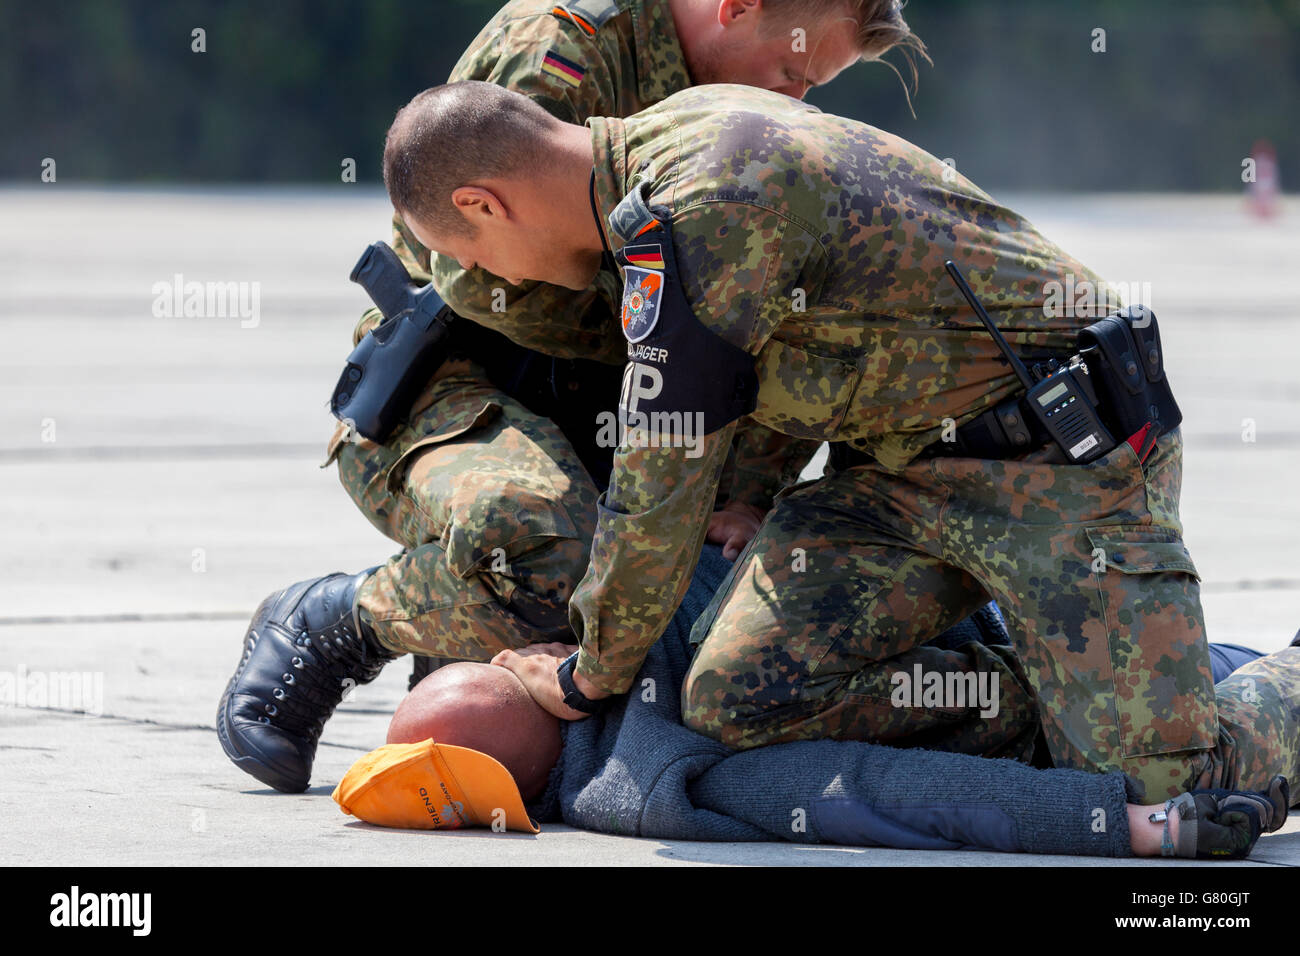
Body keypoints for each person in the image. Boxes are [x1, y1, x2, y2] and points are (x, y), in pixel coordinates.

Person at [380, 79, 1300, 803]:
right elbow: (782, 344)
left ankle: (1210, 696)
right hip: (899, 477)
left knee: (1168, 793)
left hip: (1060, 469)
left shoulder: (694, 213)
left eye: (462, 256)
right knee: (739, 698)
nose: (477, 277)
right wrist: (754, 494)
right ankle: (1066, 696)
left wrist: (589, 673)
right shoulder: (674, 141)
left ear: (484, 202)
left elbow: (656, 483)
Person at [218, 0, 931, 794]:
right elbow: (490, 282)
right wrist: (687, 334)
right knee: (561, 563)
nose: (795, 102)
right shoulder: (562, 50)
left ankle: (489, 610)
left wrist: (745, 490)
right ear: (736, 6)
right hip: (463, 381)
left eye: (813, 87)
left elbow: (777, 318)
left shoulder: (743, 120)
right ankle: (337, 619)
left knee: (661, 612)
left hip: (626, 403)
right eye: (792, 73)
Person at [372, 545, 1289, 858]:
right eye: (504, 676)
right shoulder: (659, 770)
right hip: (1048, 702)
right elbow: (882, 789)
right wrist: (1122, 825)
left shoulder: (621, 626)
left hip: (1007, 638)